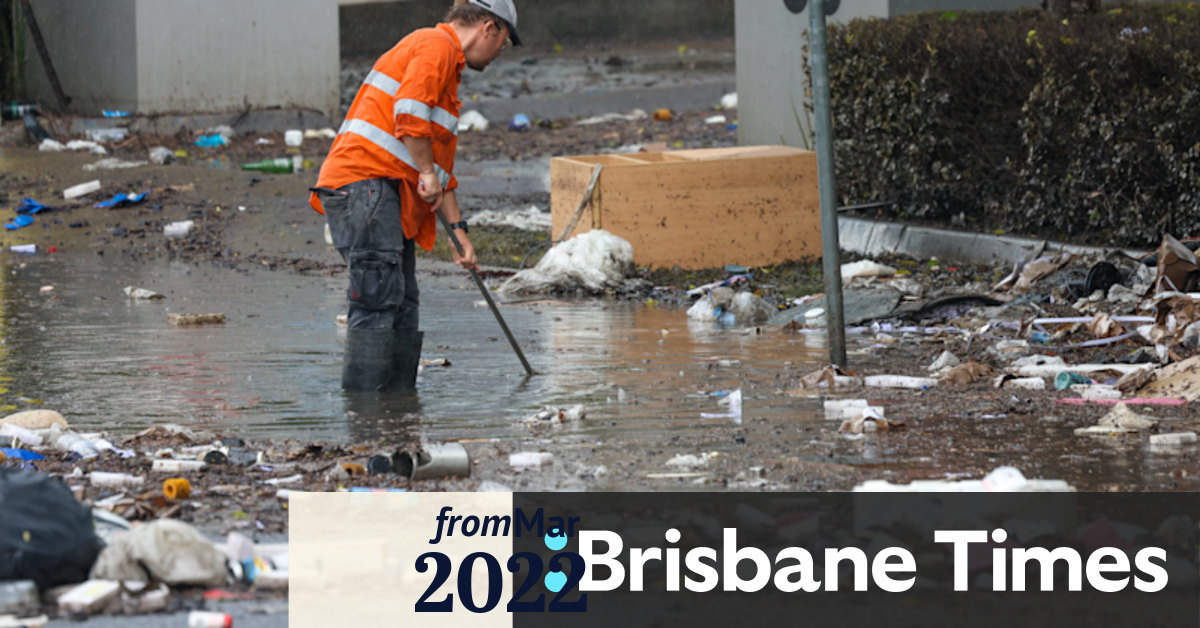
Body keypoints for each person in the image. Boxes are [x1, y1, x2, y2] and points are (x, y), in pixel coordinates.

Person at [309, 0, 521, 392]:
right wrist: (425, 172)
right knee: (377, 301)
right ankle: (369, 419)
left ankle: (399, 412)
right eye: (503, 43)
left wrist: (460, 235)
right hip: (365, 183)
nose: (498, 54)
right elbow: (408, 114)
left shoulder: (448, 75)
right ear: (488, 28)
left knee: (402, 301)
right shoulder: (435, 45)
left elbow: (439, 172)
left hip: (382, 190)